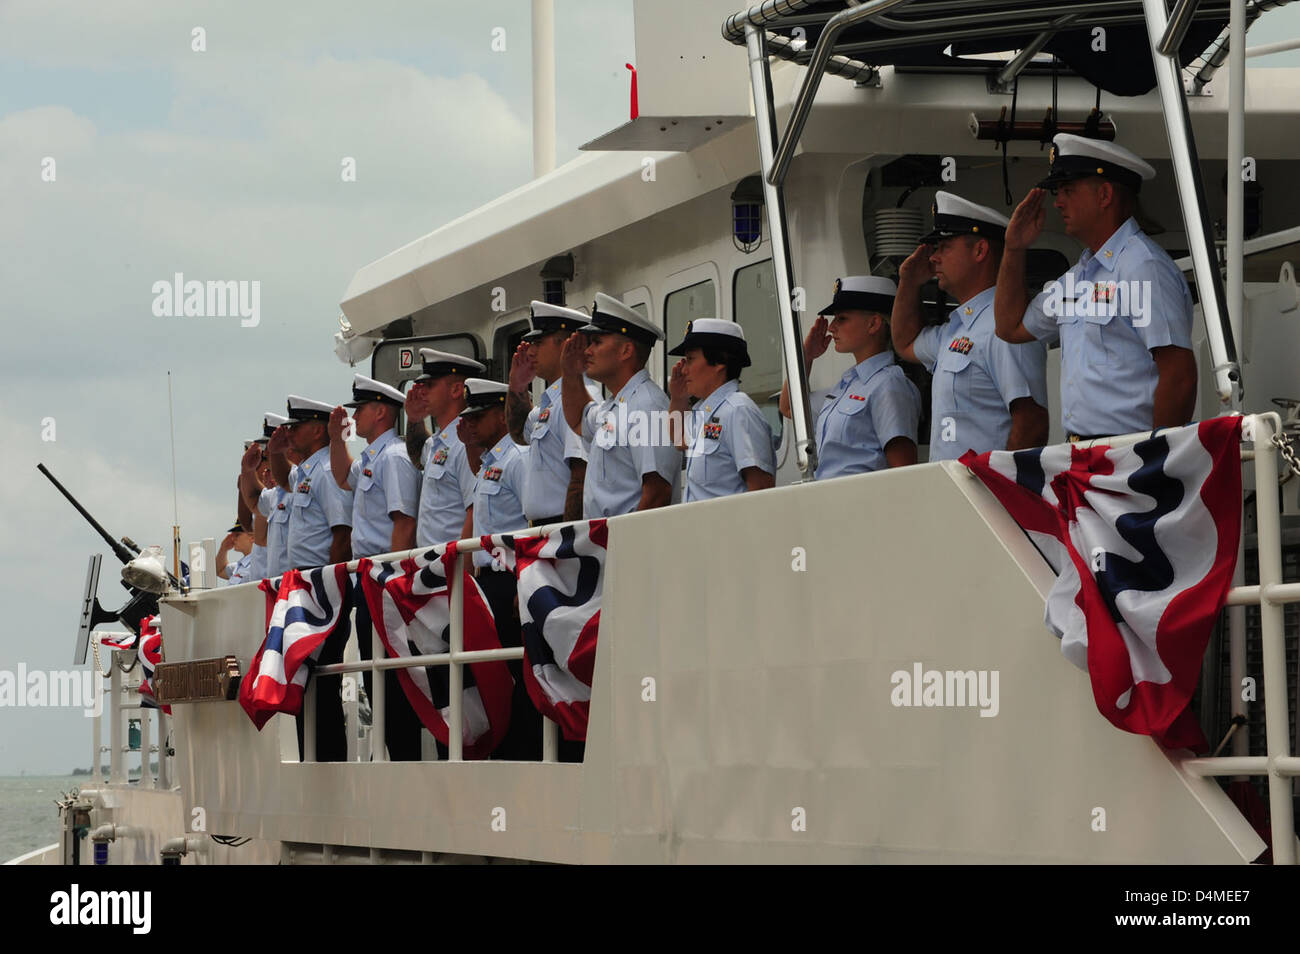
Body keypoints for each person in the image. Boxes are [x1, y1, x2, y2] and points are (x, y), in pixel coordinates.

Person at [994, 133, 1198, 439]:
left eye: (1068, 190)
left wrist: (1157, 461)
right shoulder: (1078, 277)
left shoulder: (1142, 266)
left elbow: (1179, 375)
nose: (1058, 202)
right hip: (1082, 455)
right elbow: (1010, 328)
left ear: (1104, 195)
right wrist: (1013, 249)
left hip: (1127, 456)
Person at [892, 192, 1050, 459]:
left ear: (980, 250)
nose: (933, 258)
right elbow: (905, 344)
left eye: (944, 247)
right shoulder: (957, 327)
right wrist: (909, 282)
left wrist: (1001, 491)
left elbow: (1031, 423)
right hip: (953, 490)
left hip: (983, 492)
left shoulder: (1004, 328)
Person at [318, 373, 422, 762]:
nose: (355, 415)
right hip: (368, 577)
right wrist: (335, 438)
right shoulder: (372, 456)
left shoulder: (393, 457)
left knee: (391, 679)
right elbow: (344, 477)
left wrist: (391, 579)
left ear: (380, 412)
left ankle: (405, 760)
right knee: (374, 674)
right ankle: (394, 757)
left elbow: (404, 522)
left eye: (360, 408)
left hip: (384, 578)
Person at [459, 378, 537, 760]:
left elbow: (531, 525)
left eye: (480, 416)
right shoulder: (488, 466)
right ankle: (501, 755)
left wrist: (524, 583)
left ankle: (521, 755)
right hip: (487, 587)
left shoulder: (518, 461)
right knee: (491, 677)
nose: (470, 424)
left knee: (515, 674)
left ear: (502, 418)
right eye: (469, 417)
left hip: (510, 584)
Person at [779, 276, 920, 478]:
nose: (831, 327)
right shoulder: (847, 385)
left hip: (863, 505)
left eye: (842, 318)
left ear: (873, 323)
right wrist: (806, 357)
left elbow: (904, 471)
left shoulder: (889, 384)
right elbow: (789, 408)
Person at [560, 292, 681, 517]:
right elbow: (578, 419)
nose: (587, 351)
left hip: (628, 545)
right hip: (607, 544)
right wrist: (570, 373)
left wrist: (625, 547)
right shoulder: (616, 404)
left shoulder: (648, 406)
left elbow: (657, 494)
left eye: (597, 342)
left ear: (626, 351)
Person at [506, 302, 602, 526]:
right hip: (544, 530)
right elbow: (520, 432)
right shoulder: (551, 404)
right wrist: (517, 386)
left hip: (561, 528)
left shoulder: (581, 400)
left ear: (566, 345)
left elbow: (580, 475)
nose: (530, 351)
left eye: (538, 343)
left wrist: (569, 542)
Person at [666, 318, 776, 500]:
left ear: (719, 362)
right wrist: (678, 398)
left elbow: (761, 489)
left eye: (690, 359)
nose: (684, 370)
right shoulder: (706, 411)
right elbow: (678, 439)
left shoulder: (738, 411)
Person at [404, 348, 487, 548]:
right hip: (433, 566)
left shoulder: (465, 443)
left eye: (430, 385)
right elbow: (417, 457)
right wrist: (414, 419)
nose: (422, 391)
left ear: (456, 390)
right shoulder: (437, 442)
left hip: (451, 567)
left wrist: (462, 571)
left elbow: (475, 511)